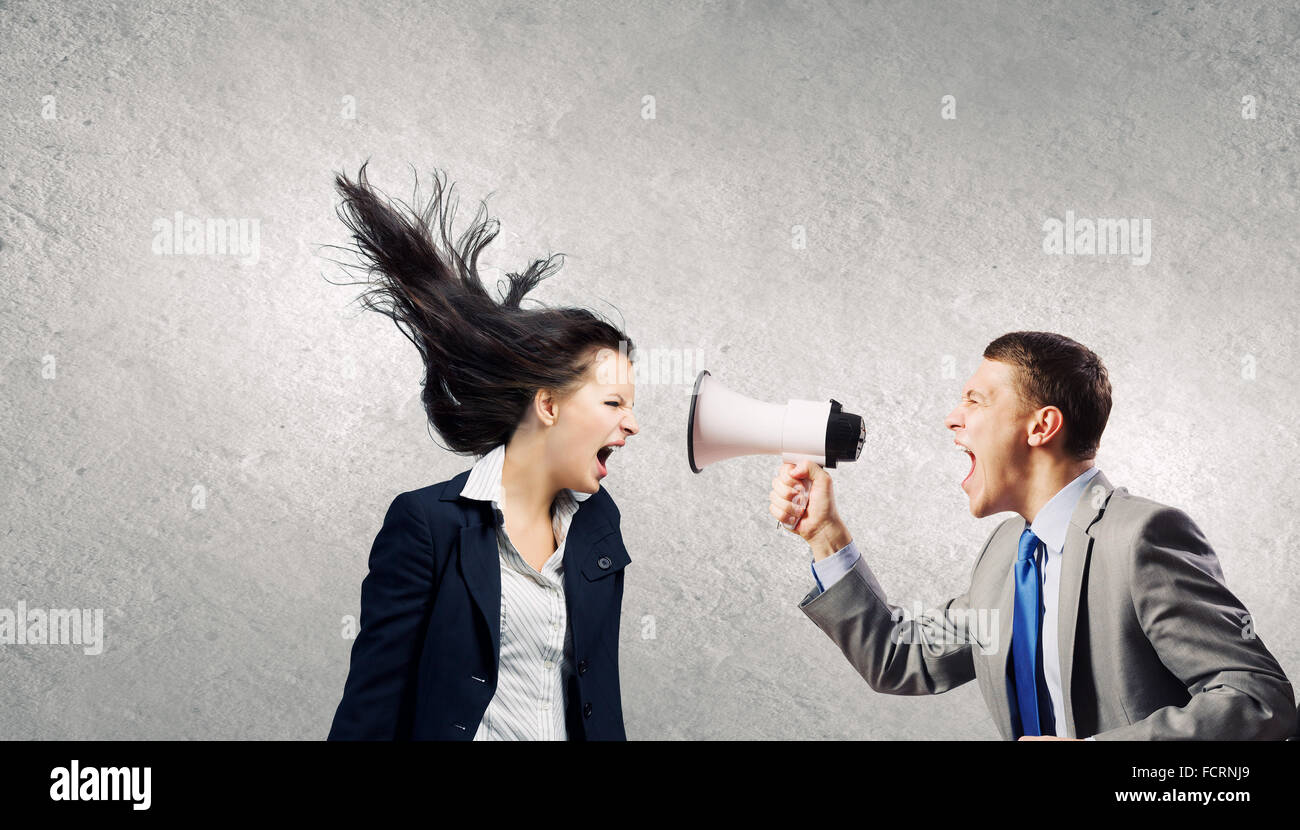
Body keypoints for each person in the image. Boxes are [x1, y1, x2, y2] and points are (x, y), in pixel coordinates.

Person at [769, 331, 1295, 739]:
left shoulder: (1143, 536)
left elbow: (1257, 697)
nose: (953, 418)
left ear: (1041, 426)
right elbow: (899, 659)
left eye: (975, 400)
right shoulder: (1006, 555)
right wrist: (824, 536)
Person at [325, 162, 639, 740]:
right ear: (549, 405)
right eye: (614, 404)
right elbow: (372, 708)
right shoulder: (427, 525)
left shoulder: (598, 523)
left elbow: (597, 700)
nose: (632, 425)